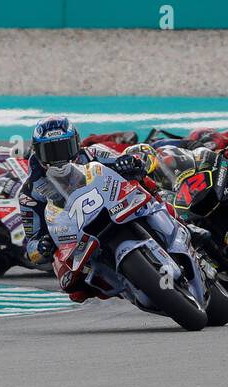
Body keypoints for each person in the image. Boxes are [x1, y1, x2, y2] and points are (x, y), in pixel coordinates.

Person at [17, 116, 147, 301]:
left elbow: (129, 161)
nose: (59, 157)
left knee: (145, 182)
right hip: (76, 236)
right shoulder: (30, 193)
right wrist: (41, 247)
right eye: (50, 151)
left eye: (64, 148)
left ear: (76, 143)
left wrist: (128, 164)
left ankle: (179, 222)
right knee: (74, 289)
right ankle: (120, 284)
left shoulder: (93, 153)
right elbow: (31, 248)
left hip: (115, 205)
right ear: (37, 152)